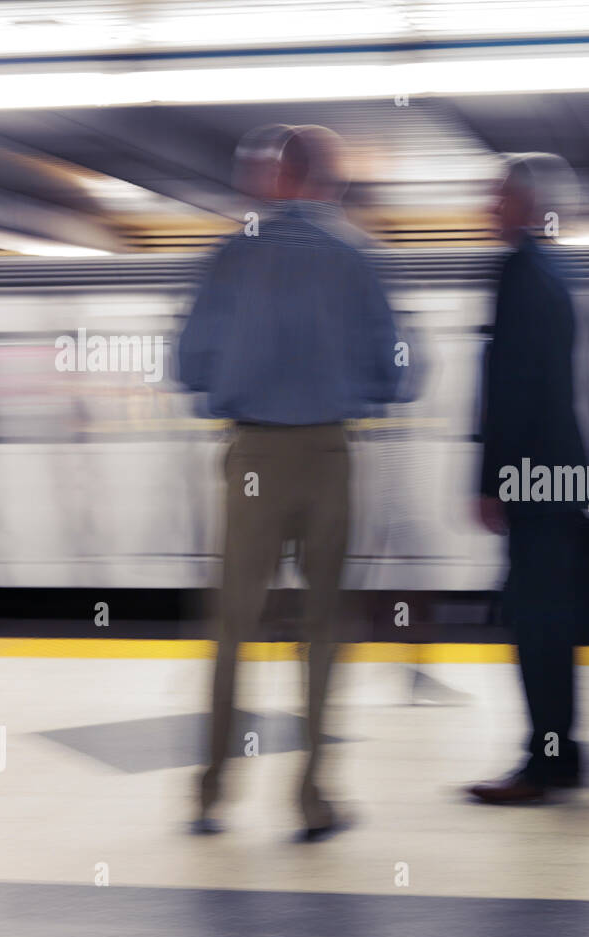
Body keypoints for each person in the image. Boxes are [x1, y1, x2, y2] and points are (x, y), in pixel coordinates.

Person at [177, 124, 405, 839]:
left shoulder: (228, 255)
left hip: (251, 456)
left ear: (276, 177)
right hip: (329, 455)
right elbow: (394, 372)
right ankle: (311, 797)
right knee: (324, 627)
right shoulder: (357, 256)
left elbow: (188, 365)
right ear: (325, 179)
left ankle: (211, 792)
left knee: (234, 625)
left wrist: (237, 386)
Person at [469, 153, 589, 804]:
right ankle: (563, 753)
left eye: (497, 196)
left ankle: (544, 761)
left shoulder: (519, 273)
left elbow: (513, 387)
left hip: (534, 475)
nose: (487, 208)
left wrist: (492, 480)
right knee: (552, 621)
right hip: (565, 473)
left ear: (527, 204)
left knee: (535, 622)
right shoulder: (564, 272)